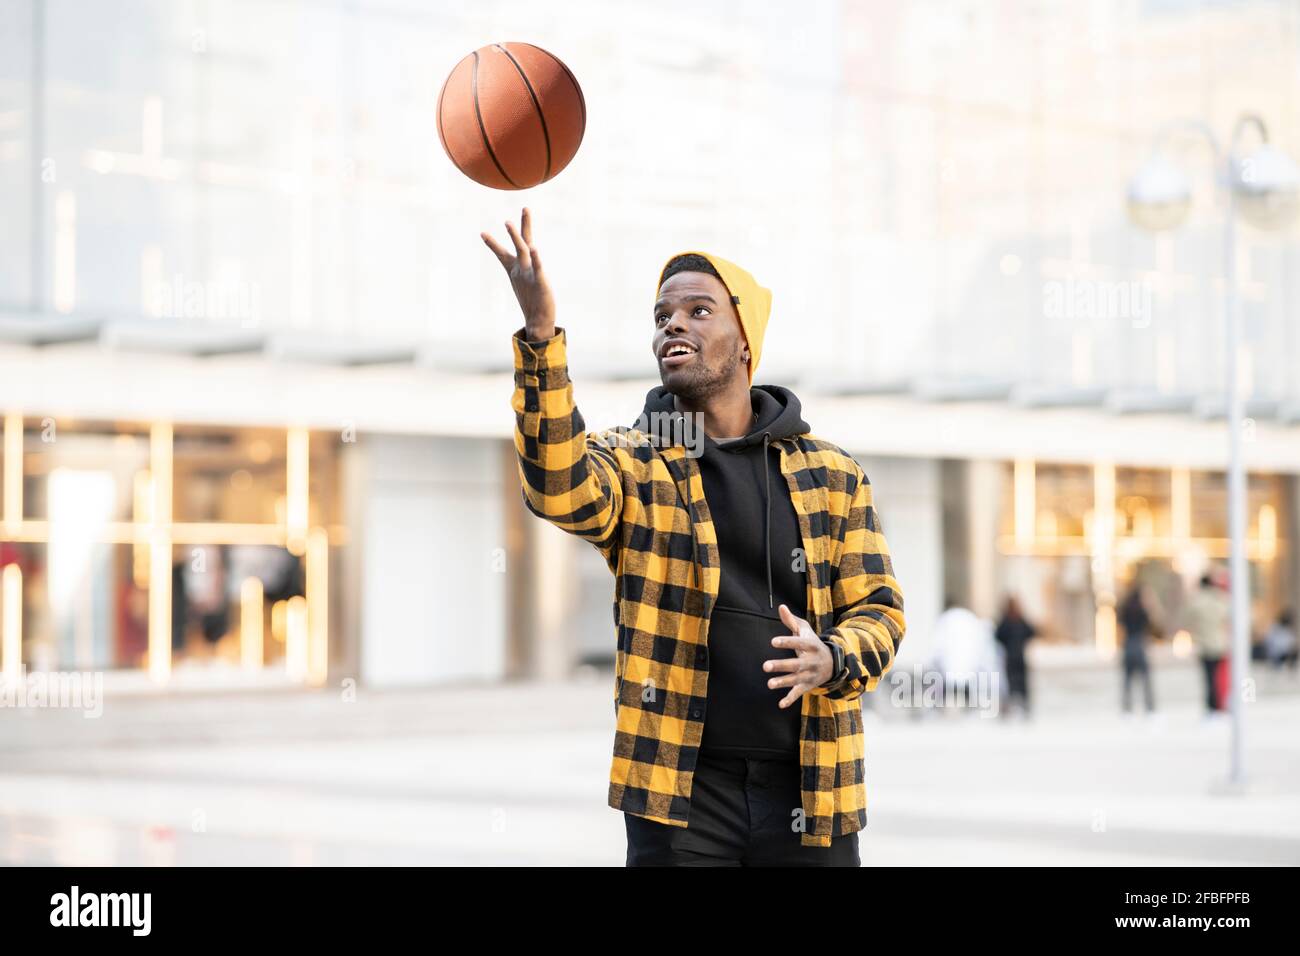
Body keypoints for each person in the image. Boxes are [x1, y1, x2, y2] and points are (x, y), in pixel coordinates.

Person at [485, 208, 906, 867]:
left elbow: (879, 609)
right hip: (680, 792)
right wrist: (541, 335)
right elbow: (556, 486)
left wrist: (833, 656)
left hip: (811, 785)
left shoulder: (832, 474)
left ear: (745, 341)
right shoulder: (636, 459)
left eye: (698, 311)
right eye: (662, 316)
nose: (673, 324)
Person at [930, 599, 999, 714]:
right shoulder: (970, 620)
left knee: (953, 693)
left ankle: (953, 708)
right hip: (968, 668)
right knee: (963, 693)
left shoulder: (947, 620)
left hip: (952, 668)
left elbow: (938, 645)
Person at [1183, 573, 1230, 714]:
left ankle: (1211, 707)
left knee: (1208, 678)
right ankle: (1219, 705)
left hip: (1203, 645)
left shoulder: (1196, 602)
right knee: (1219, 678)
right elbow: (1227, 618)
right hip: (1219, 643)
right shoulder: (1219, 600)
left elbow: (1188, 620)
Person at [1117, 583, 1156, 715]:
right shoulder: (1142, 609)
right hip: (1139, 643)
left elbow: (1120, 621)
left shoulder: (1125, 608)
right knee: (1145, 678)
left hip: (1128, 644)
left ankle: (1127, 707)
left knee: (1127, 679)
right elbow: (1152, 624)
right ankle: (1149, 706)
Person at [994, 595, 1035, 718]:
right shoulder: (1019, 619)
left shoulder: (1007, 620)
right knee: (1019, 682)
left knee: (1012, 682)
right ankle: (1021, 706)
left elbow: (998, 635)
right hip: (1018, 656)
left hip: (1011, 656)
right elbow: (1030, 631)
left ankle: (1012, 706)